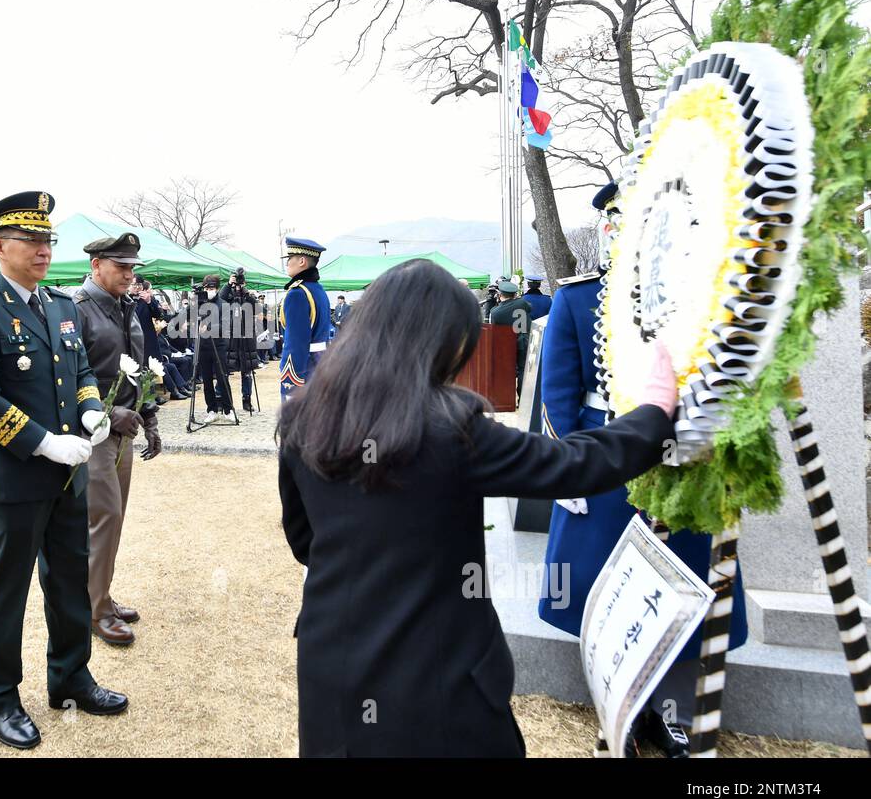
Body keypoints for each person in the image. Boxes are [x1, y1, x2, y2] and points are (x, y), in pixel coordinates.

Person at [277, 258, 680, 757]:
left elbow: (304, 539)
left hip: (333, 659)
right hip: (439, 679)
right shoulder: (452, 427)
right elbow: (574, 465)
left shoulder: (301, 416)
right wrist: (655, 413)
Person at [538, 182, 747, 757]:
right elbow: (557, 394)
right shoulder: (578, 299)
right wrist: (565, 472)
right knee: (607, 591)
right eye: (612, 224)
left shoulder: (691, 295)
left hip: (675, 457)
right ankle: (621, 712)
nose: (619, 233)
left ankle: (670, 709)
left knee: (681, 580)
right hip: (602, 461)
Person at [0, 190, 129, 751]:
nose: (42, 250)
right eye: (30, 240)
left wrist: (90, 407)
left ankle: (71, 676)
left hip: (70, 474)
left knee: (69, 582)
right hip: (17, 477)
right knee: (7, 588)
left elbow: (81, 367)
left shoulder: (61, 307)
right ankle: (0, 695)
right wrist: (42, 444)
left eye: (47, 240)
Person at [73, 233, 163, 646]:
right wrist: (109, 413)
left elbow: (138, 369)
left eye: (132, 268)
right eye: (121, 266)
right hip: (93, 434)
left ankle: (101, 596)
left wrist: (150, 417)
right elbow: (68, 380)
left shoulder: (127, 308)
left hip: (124, 432)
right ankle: (94, 610)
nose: (129, 274)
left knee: (114, 518)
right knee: (103, 517)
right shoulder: (76, 311)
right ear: (96, 265)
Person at [278, 237, 331, 401]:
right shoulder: (318, 290)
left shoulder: (297, 294)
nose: (287, 263)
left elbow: (296, 343)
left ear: (301, 261)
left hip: (303, 369)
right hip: (320, 364)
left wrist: (291, 382)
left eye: (289, 259)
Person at [192, 274, 234, 422]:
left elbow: (225, 325)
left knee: (222, 378)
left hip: (218, 345)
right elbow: (189, 319)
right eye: (206, 287)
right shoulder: (198, 303)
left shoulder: (223, 304)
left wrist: (208, 327)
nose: (208, 290)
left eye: (211, 288)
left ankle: (228, 409)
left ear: (216, 288)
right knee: (207, 380)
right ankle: (212, 410)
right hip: (202, 346)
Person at [226, 270, 262, 412]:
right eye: (237, 283)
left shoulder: (248, 298)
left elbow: (258, 309)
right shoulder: (229, 296)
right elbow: (221, 299)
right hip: (231, 340)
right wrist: (229, 285)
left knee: (247, 373)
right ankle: (223, 401)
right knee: (226, 371)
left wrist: (246, 293)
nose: (239, 286)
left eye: (241, 283)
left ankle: (247, 399)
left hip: (247, 340)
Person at [490, 278, 532, 394]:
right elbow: (530, 308)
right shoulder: (522, 303)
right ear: (514, 294)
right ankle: (522, 396)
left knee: (508, 370)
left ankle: (507, 396)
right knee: (523, 369)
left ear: (500, 295)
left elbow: (494, 330)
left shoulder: (495, 312)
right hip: (524, 340)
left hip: (507, 344)